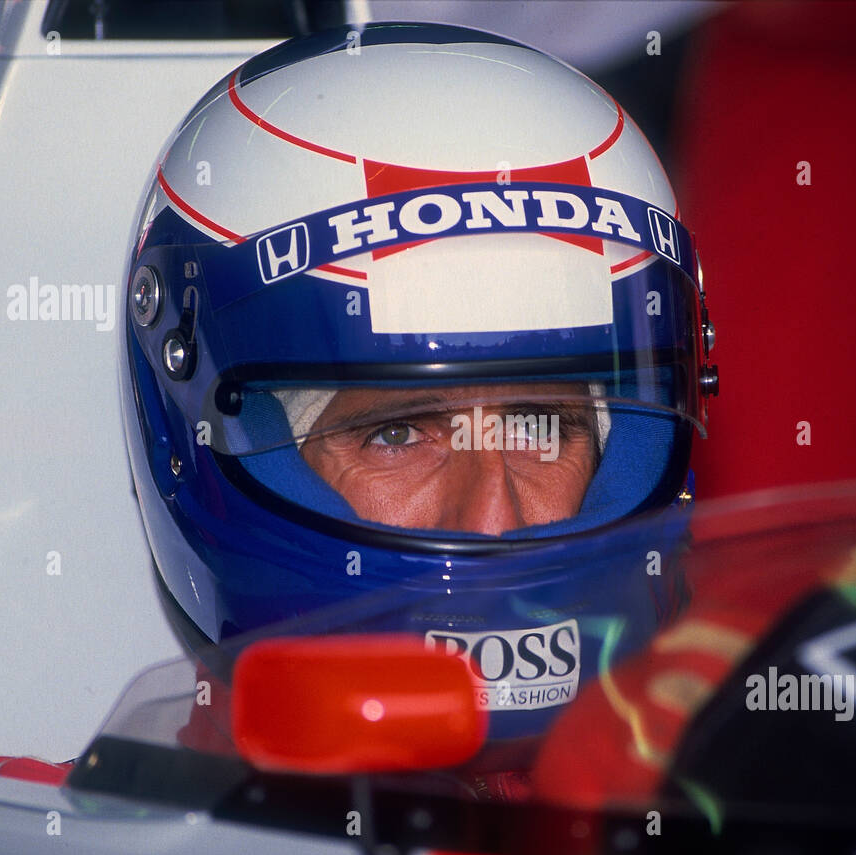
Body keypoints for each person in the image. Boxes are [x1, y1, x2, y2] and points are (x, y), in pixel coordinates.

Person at [114, 19, 715, 765]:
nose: (495, 520)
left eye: (539, 427)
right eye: (397, 433)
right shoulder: (15, 835)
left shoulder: (732, 821)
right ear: (188, 441)